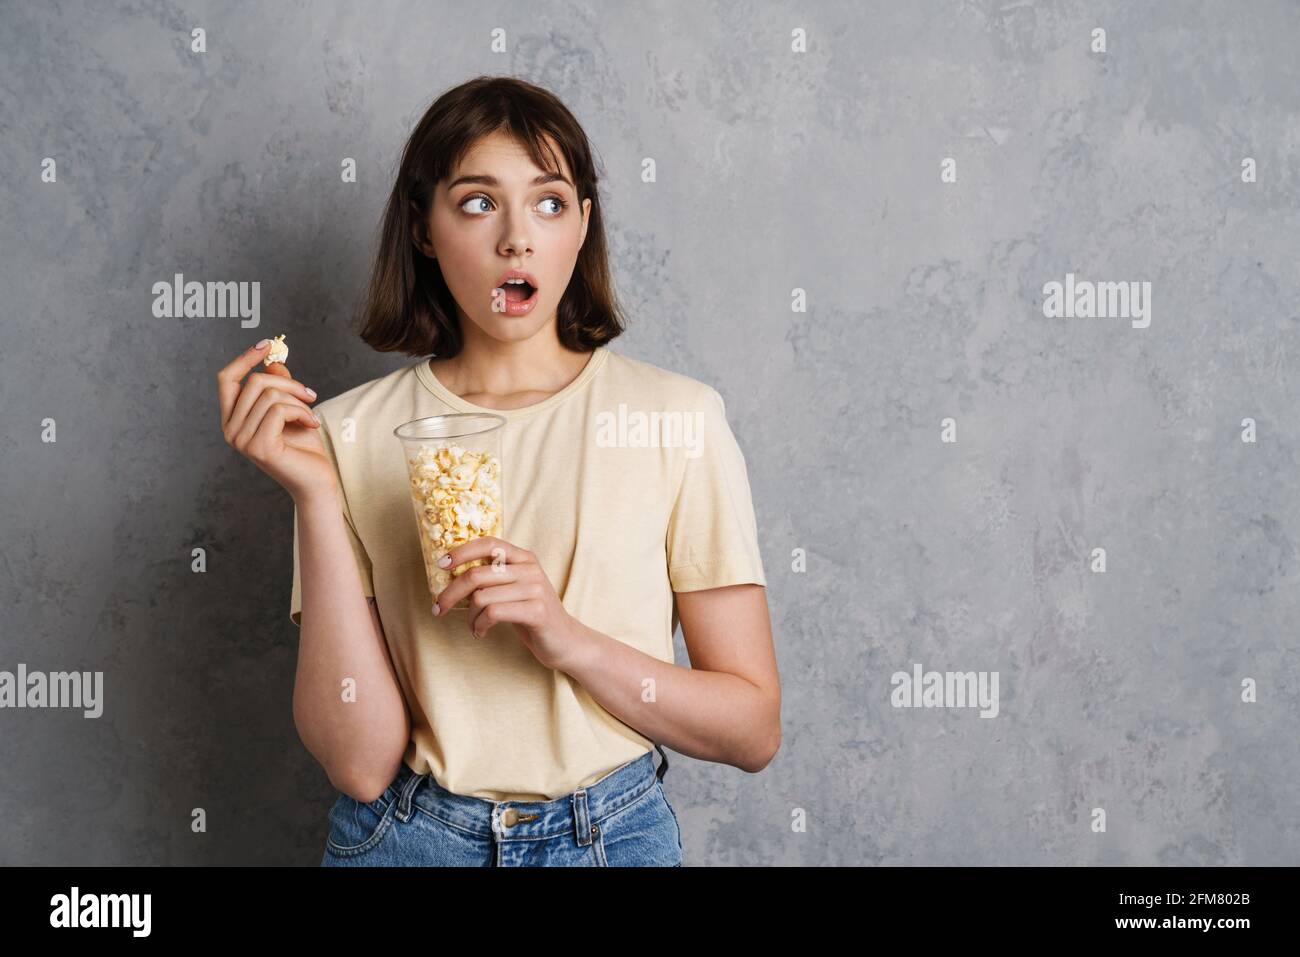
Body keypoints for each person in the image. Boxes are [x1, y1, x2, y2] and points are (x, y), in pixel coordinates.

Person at [216, 75, 780, 866]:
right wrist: (314, 493)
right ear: (423, 228)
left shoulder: (677, 418)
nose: (516, 237)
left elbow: (752, 729)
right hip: (408, 838)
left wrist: (564, 638)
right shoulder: (343, 434)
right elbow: (359, 762)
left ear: (583, 225)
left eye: (549, 202)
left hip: (611, 838)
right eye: (478, 202)